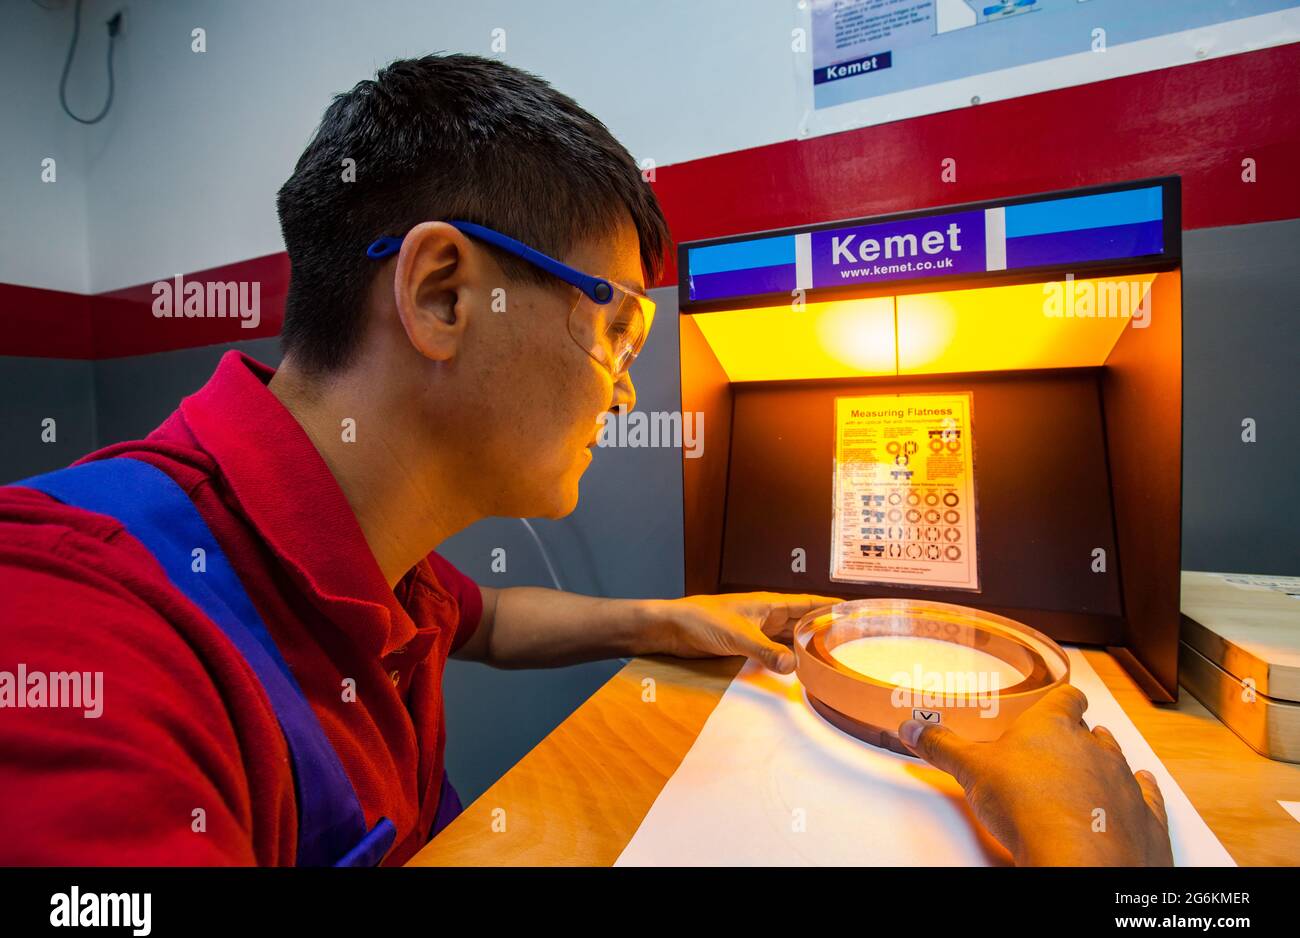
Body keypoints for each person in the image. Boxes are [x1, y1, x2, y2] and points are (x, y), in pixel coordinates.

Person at [0, 54, 1170, 867]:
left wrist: (672, 618)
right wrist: (1088, 854)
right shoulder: (79, 630)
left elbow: (490, 618)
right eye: (614, 327)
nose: (622, 384)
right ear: (443, 293)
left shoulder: (357, 539)